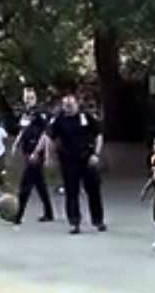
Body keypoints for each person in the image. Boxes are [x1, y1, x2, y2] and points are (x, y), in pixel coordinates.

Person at [34, 93, 106, 234]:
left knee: (93, 190)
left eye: (71, 105)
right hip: (68, 160)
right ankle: (74, 222)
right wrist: (49, 156)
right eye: (66, 105)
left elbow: (98, 135)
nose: (68, 108)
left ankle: (98, 220)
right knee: (71, 192)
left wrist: (96, 154)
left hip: (87, 158)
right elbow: (49, 137)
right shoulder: (59, 119)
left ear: (77, 104)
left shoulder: (86, 116)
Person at [11, 88, 54, 224]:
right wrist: (15, 144)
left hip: (36, 152)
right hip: (27, 151)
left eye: (31, 97)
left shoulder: (40, 114)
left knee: (26, 184)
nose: (28, 100)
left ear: (35, 98)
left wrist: (42, 153)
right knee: (39, 183)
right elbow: (22, 131)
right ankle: (49, 212)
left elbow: (45, 134)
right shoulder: (25, 114)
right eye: (26, 97)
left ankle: (18, 215)